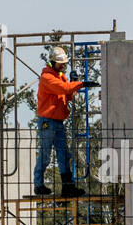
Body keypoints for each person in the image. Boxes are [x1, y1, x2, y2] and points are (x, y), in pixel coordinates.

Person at [34, 46, 97, 197]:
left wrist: (73, 83)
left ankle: (68, 186)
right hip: (47, 122)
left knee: (64, 154)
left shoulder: (59, 76)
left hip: (57, 122)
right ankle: (38, 185)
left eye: (64, 63)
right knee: (45, 154)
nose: (63, 65)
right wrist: (80, 84)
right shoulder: (47, 78)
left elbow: (67, 95)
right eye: (60, 63)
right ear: (52, 62)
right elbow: (63, 88)